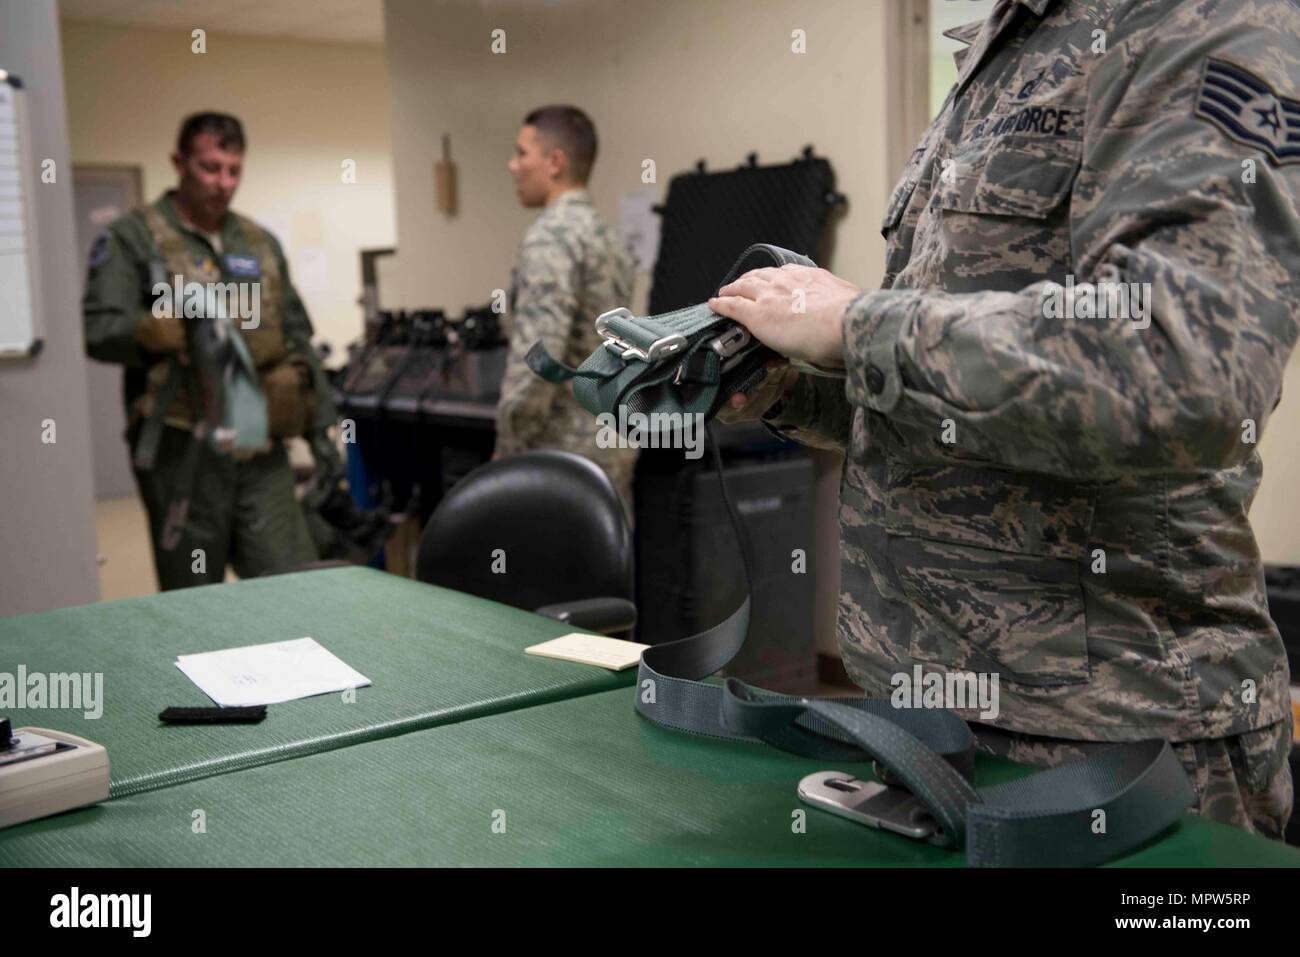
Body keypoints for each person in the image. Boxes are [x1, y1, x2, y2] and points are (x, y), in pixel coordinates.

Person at [711, 0, 1299, 838]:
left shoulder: (1197, 20)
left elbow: (1185, 369)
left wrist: (856, 326)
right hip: (927, 714)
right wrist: (782, 389)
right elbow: (960, 412)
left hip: (1113, 743)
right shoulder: (1009, 45)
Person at [83, 112, 337, 589]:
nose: (224, 183)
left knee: (294, 585)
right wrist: (144, 331)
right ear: (178, 163)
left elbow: (297, 336)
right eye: (210, 167)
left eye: (234, 170)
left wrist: (322, 427)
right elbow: (97, 329)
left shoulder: (259, 243)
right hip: (183, 451)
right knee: (195, 594)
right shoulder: (134, 238)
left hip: (261, 446)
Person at [496, 105, 637, 514]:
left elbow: (541, 355)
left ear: (554, 162)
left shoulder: (550, 238)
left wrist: (509, 442)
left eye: (522, 153)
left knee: (545, 556)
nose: (512, 165)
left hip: (560, 452)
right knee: (607, 551)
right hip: (611, 440)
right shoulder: (610, 237)